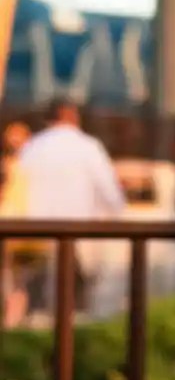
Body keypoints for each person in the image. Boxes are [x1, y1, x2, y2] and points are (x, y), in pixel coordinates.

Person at [18, 99, 127, 313]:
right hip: (77, 236)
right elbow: (111, 195)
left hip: (33, 237)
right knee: (73, 307)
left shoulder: (31, 148)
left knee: (36, 306)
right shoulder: (87, 147)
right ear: (73, 116)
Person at [1, 122, 32, 326]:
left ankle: (12, 322)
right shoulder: (9, 165)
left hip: (22, 227)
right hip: (11, 225)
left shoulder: (29, 165)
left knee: (16, 280)